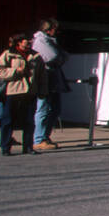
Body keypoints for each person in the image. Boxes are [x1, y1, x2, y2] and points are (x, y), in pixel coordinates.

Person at [0, 34, 42, 156]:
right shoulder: (8, 54)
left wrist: (43, 91)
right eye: (27, 40)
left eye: (31, 40)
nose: (30, 42)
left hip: (30, 92)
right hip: (13, 91)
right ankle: (5, 147)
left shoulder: (36, 56)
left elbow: (42, 75)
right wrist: (14, 71)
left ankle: (28, 147)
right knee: (8, 120)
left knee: (29, 121)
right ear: (19, 42)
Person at [32, 18, 69, 151]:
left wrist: (60, 57)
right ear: (49, 29)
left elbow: (63, 56)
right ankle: (39, 138)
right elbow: (53, 56)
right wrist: (60, 57)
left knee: (54, 109)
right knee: (43, 108)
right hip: (45, 78)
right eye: (55, 29)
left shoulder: (50, 41)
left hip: (53, 78)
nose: (57, 32)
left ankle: (44, 136)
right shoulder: (41, 41)